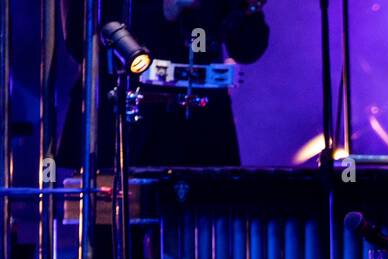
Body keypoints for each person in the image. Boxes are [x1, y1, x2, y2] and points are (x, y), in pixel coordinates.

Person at [58, 0, 269, 168]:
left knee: (215, 213)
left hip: (205, 123)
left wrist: (249, 9)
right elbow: (79, 36)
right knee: (126, 216)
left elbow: (247, 49)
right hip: (126, 119)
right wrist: (161, 11)